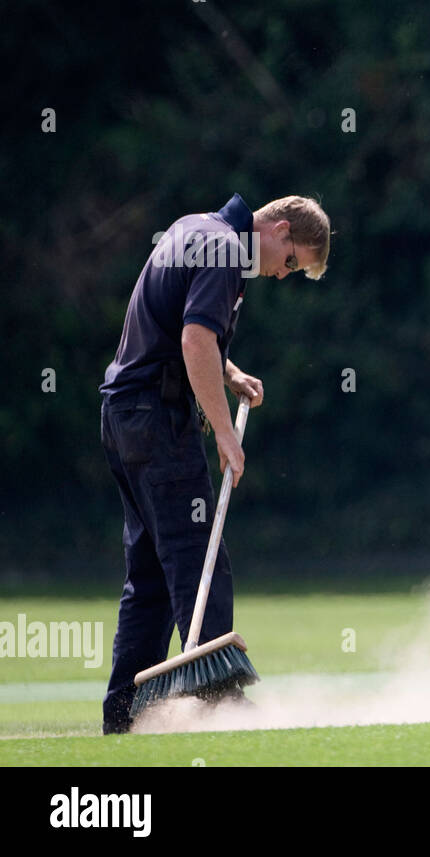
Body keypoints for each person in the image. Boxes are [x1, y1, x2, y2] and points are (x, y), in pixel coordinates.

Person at [98, 193, 331, 733]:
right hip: (156, 418)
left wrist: (230, 374)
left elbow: (182, 330)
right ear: (277, 228)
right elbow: (195, 336)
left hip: (122, 414)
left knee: (152, 575)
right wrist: (224, 432)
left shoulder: (196, 227)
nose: (282, 274)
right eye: (292, 261)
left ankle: (122, 717)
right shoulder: (226, 250)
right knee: (198, 553)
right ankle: (218, 701)